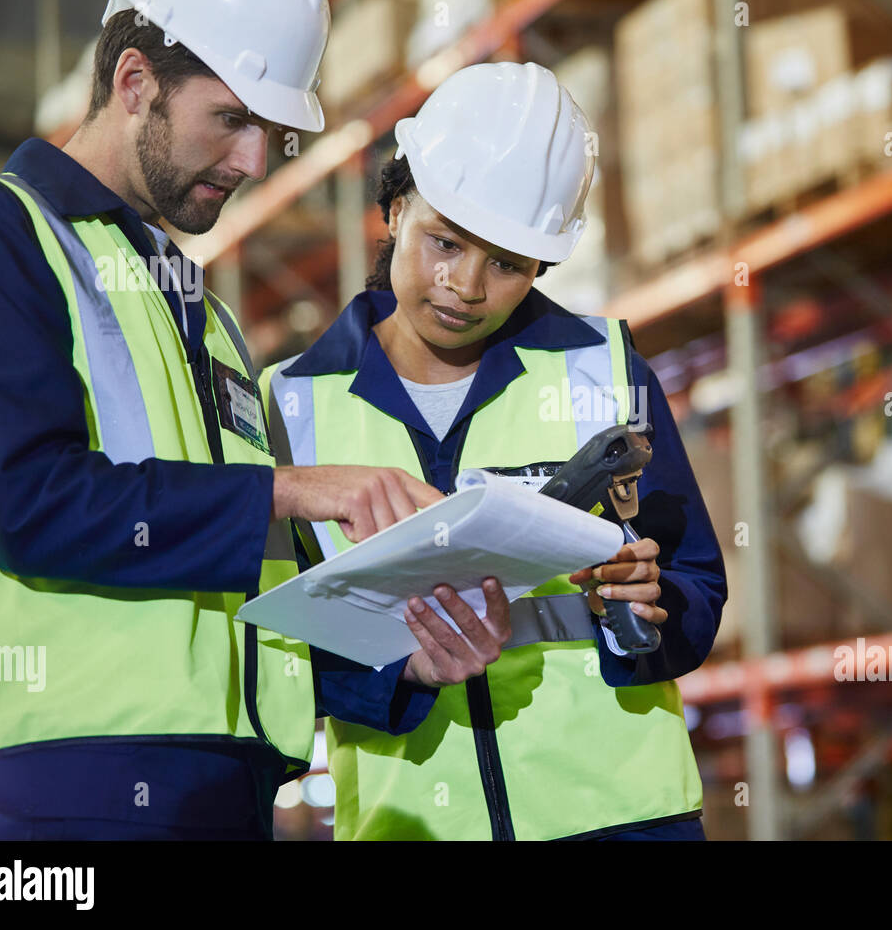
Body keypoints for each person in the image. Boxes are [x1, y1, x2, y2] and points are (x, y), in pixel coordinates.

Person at [0, 0, 473, 840]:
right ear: (133, 83)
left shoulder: (202, 311)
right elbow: (27, 501)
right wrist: (295, 490)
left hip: (225, 791)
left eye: (268, 131)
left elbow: (233, 608)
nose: (254, 162)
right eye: (233, 119)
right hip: (69, 793)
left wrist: (398, 668)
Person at [261, 61, 727, 841]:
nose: (466, 286)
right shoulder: (291, 404)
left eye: (507, 263)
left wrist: (648, 605)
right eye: (443, 243)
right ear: (397, 207)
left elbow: (697, 586)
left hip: (621, 822)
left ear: (542, 263)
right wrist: (395, 672)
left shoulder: (606, 373)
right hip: (411, 826)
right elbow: (273, 652)